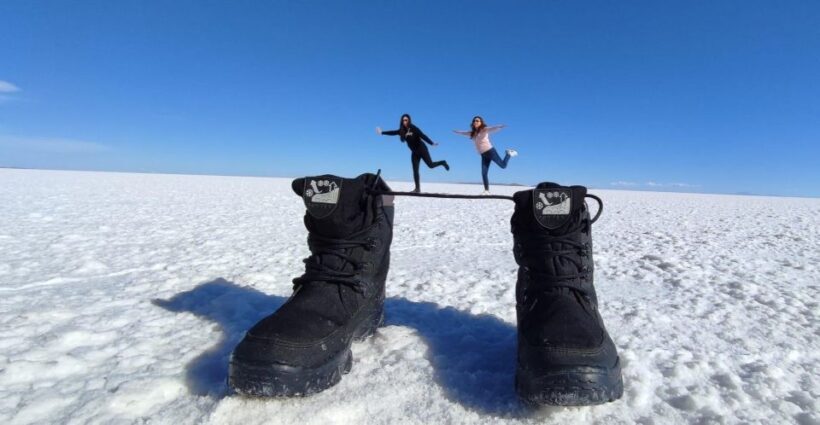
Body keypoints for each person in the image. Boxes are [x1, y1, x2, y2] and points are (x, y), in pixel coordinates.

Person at [377, 114, 449, 193]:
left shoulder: (413, 128)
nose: (404, 121)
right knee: (415, 170)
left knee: (430, 165)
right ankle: (417, 189)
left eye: (406, 120)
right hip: (414, 152)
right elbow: (393, 132)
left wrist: (431, 143)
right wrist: (382, 132)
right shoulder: (402, 131)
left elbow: (422, 135)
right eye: (403, 120)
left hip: (422, 149)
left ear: (409, 120)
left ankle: (443, 162)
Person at [453, 116, 518, 195]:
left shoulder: (484, 129)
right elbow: (464, 133)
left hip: (490, 151)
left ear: (481, 122)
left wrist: (499, 127)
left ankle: (508, 154)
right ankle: (486, 190)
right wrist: (457, 132)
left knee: (503, 166)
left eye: (477, 121)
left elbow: (492, 128)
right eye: (474, 121)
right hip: (483, 154)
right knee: (484, 173)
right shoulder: (473, 133)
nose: (475, 122)